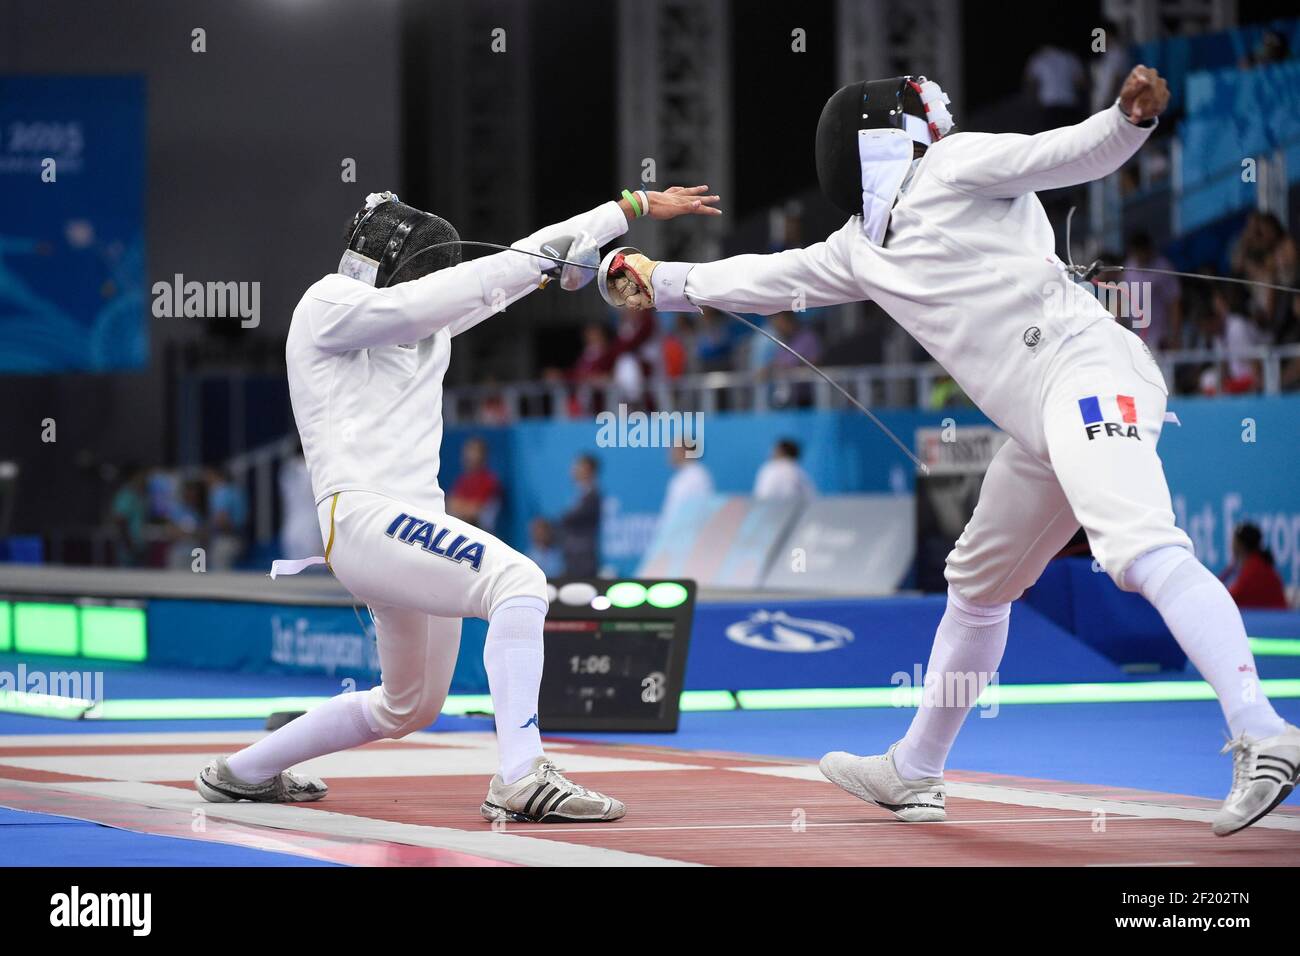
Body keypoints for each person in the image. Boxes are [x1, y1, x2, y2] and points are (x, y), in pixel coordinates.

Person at [598, 69, 1298, 836]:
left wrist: (1126, 123)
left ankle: (1263, 734)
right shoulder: (860, 250)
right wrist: (657, 278)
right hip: (1038, 426)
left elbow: (1059, 154)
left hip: (1091, 373)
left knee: (1137, 549)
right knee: (975, 583)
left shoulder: (954, 165)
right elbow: (767, 277)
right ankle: (915, 770)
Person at [195, 184, 719, 823]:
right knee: (519, 581)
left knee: (407, 704)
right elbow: (474, 284)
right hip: (362, 518)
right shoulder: (328, 304)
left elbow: (511, 269)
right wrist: (546, 261)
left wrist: (619, 223)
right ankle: (522, 774)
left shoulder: (422, 324)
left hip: (409, 529)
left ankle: (240, 772)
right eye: (426, 267)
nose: (435, 278)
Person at [1223, 523, 1288, 610]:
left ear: (1240, 545)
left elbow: (1228, 601)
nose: (1230, 545)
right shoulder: (1258, 564)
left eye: (1233, 541)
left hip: (1277, 620)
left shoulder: (1254, 570)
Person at [557, 453, 601, 577]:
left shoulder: (593, 497)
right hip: (572, 558)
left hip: (583, 560)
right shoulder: (580, 494)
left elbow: (573, 520)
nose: (574, 470)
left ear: (588, 470)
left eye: (579, 467)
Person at [447, 436, 502, 534]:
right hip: (461, 530)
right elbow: (451, 505)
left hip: (481, 533)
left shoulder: (489, 480)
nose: (468, 455)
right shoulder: (463, 479)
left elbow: (474, 511)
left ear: (483, 455)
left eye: (473, 451)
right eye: (467, 451)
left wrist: (463, 507)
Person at [660, 444, 713, 523]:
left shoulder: (697, 476)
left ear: (683, 451)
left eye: (674, 449)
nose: (670, 453)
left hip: (687, 531)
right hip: (675, 531)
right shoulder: (681, 476)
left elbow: (698, 511)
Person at [753, 438, 814, 504]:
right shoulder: (800, 473)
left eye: (774, 450)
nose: (771, 452)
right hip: (796, 512)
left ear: (780, 451)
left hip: (773, 510)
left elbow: (762, 495)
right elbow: (812, 498)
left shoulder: (771, 469)